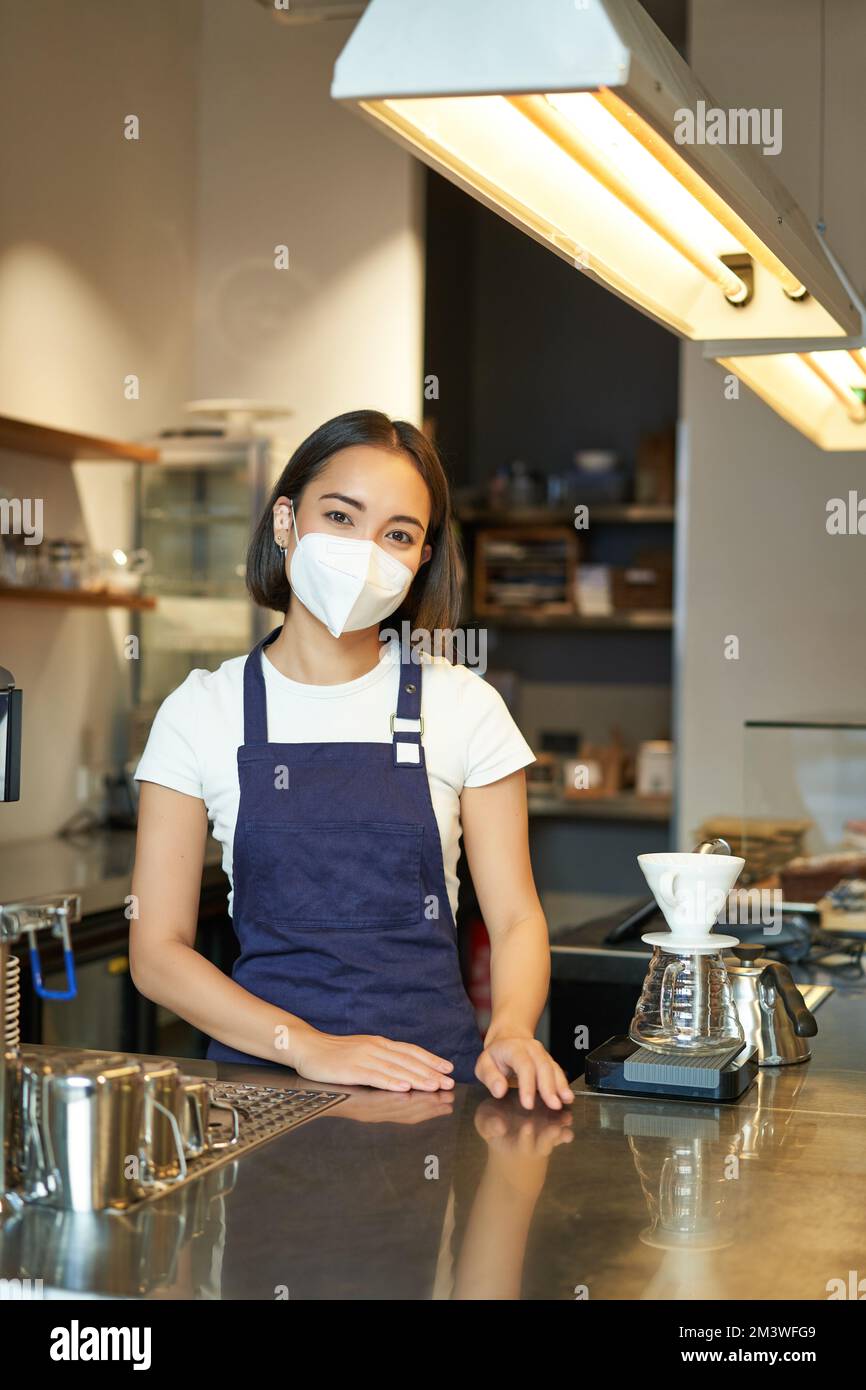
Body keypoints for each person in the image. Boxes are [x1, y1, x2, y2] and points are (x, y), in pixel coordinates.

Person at [131, 409, 573, 1110]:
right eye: (340, 517)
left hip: (430, 1087)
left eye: (397, 534)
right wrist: (308, 1047)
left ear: (421, 558)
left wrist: (512, 1030)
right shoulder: (201, 711)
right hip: (259, 1093)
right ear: (286, 520)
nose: (366, 552)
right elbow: (158, 952)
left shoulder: (465, 707)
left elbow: (516, 918)